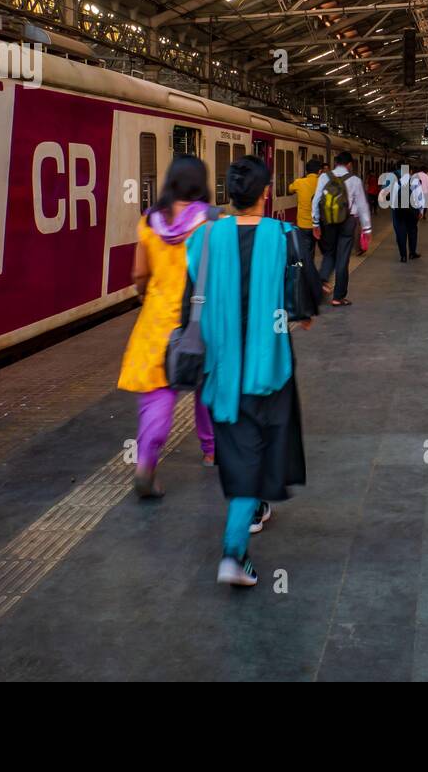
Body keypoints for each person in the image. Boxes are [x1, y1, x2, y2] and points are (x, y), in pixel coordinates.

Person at [189, 155, 320, 587]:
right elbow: (304, 314)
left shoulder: (204, 239)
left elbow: (189, 303)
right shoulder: (286, 237)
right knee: (257, 461)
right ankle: (233, 552)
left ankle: (252, 515)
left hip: (221, 374)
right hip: (270, 373)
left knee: (244, 455)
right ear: (267, 194)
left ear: (230, 196)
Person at [118, 155, 218, 498]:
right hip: (200, 320)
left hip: (157, 323)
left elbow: (139, 275)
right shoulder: (210, 222)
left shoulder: (149, 222)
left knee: (157, 398)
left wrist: (150, 295)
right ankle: (210, 449)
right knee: (207, 387)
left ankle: (146, 463)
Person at [311, 150, 372, 307]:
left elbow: (316, 199)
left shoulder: (324, 177)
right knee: (343, 259)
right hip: (347, 221)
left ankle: (323, 280)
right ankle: (338, 297)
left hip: (328, 221)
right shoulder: (355, 180)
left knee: (329, 253)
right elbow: (362, 206)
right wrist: (367, 229)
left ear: (335, 163)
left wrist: (315, 223)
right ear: (349, 164)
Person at [289, 158, 325, 264]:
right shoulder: (323, 183)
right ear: (319, 171)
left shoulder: (299, 182)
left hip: (303, 224)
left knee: (306, 252)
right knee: (326, 253)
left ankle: (307, 274)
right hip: (319, 224)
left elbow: (290, 189)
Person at [390, 161, 426, 263]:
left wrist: (394, 210)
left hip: (398, 211)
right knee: (412, 231)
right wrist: (421, 211)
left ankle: (403, 256)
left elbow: (393, 199)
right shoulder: (415, 181)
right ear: (410, 171)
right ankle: (412, 253)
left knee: (400, 233)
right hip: (412, 210)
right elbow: (420, 197)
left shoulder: (395, 181)